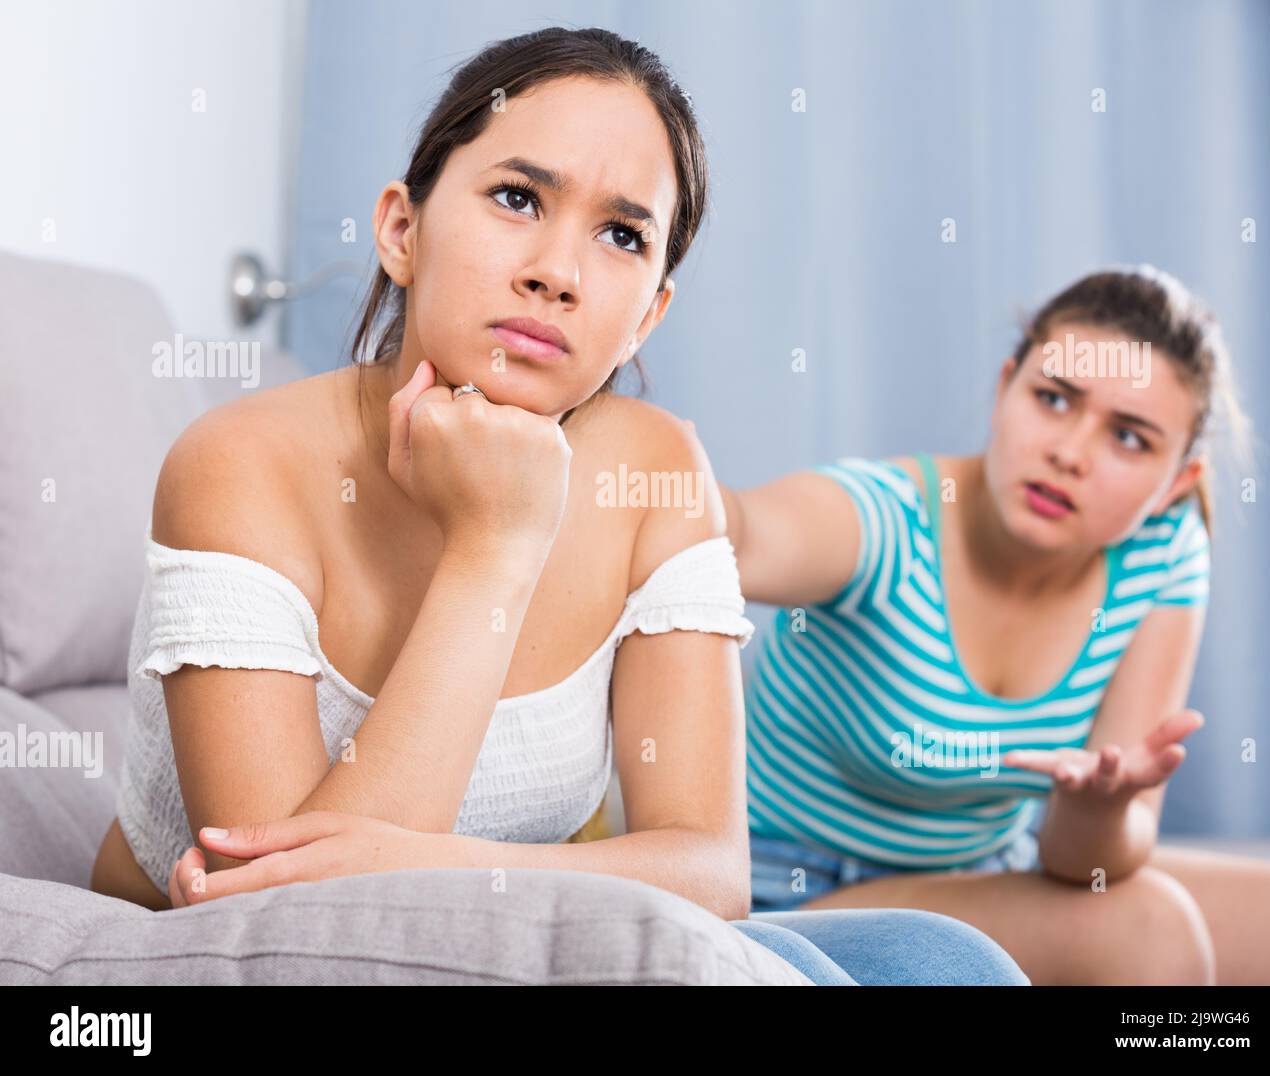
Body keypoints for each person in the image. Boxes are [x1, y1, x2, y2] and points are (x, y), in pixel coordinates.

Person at [89, 26, 1026, 987]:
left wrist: (426, 864)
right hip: (241, 962)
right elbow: (293, 920)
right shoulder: (240, 465)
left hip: (514, 945)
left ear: (650, 314)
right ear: (401, 231)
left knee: (947, 961)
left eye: (622, 236)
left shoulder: (657, 473)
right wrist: (495, 544)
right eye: (516, 197)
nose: (558, 272)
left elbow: (710, 868)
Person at [722, 266, 1270, 984]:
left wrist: (1096, 812)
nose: (1070, 452)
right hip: (788, 895)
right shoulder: (883, 521)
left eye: (1128, 437)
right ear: (1005, 389)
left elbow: (1084, 866)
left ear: (1176, 482)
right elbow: (737, 535)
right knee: (1152, 933)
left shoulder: (1165, 550)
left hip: (984, 877)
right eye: (1054, 399)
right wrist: (650, 475)